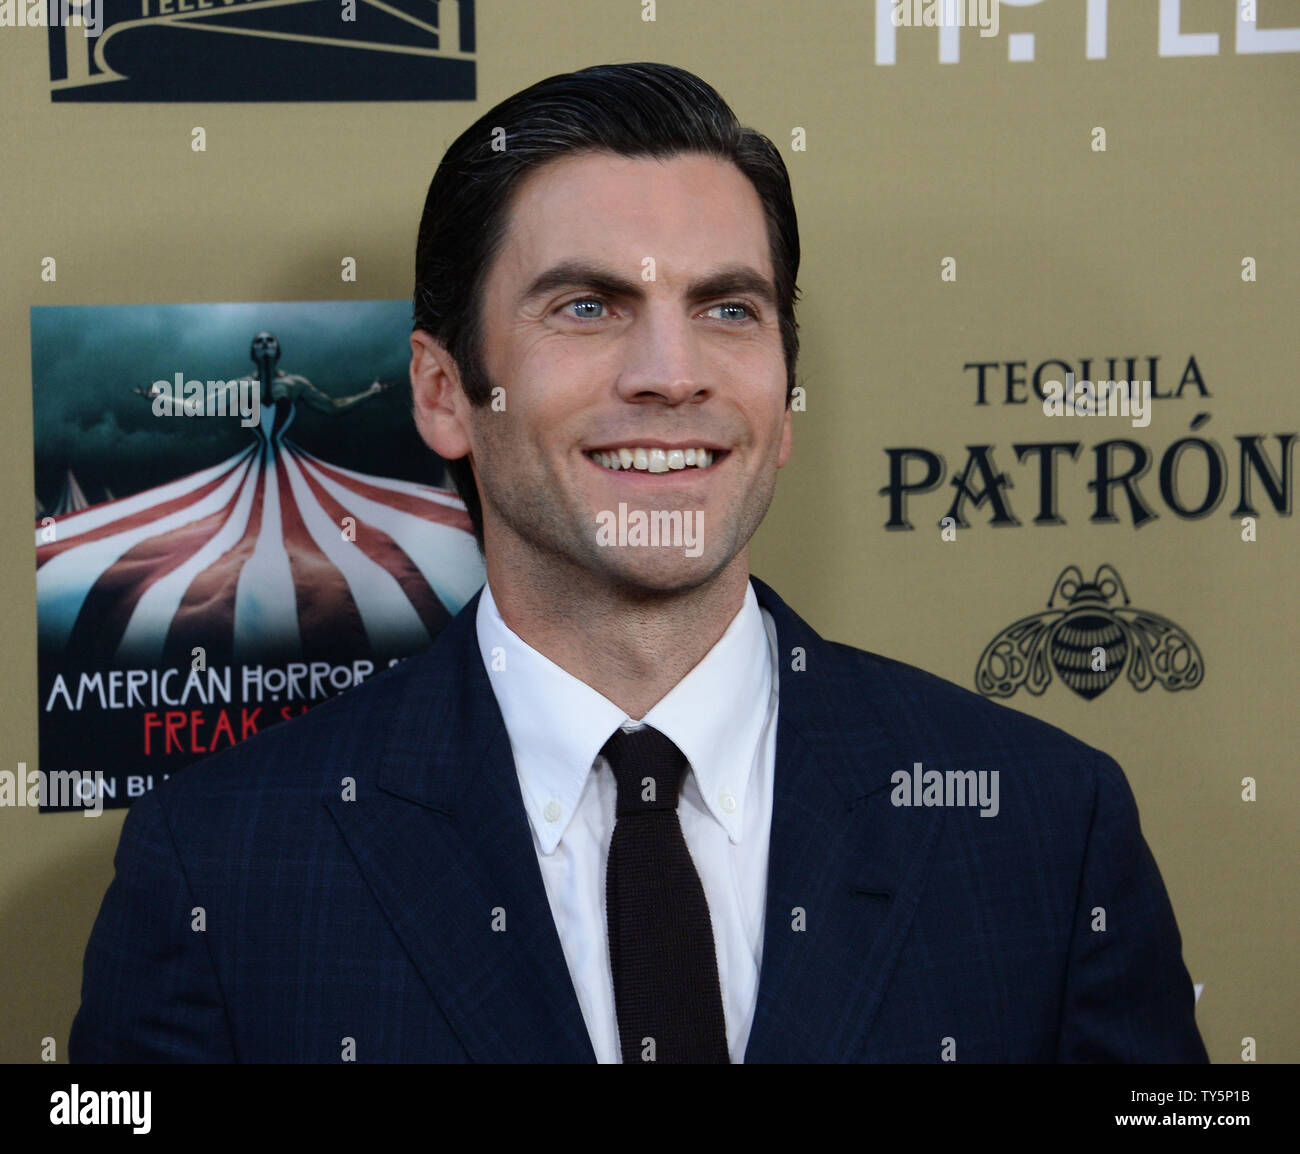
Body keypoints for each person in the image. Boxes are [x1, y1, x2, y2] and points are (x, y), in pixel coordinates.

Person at [70, 62, 1207, 1063]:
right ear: (441, 392)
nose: (672, 371)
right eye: (587, 304)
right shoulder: (222, 867)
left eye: (725, 308)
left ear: (783, 389)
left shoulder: (1044, 829)